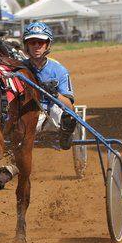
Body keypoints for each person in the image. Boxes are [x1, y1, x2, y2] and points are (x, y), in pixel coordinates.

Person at [23, 21, 76, 150]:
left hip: (52, 117)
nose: (36, 46)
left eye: (40, 42)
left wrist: (54, 93)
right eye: (32, 42)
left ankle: (65, 136)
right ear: (26, 46)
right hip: (26, 115)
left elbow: (69, 105)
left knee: (64, 113)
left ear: (47, 45)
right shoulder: (18, 69)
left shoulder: (59, 70)